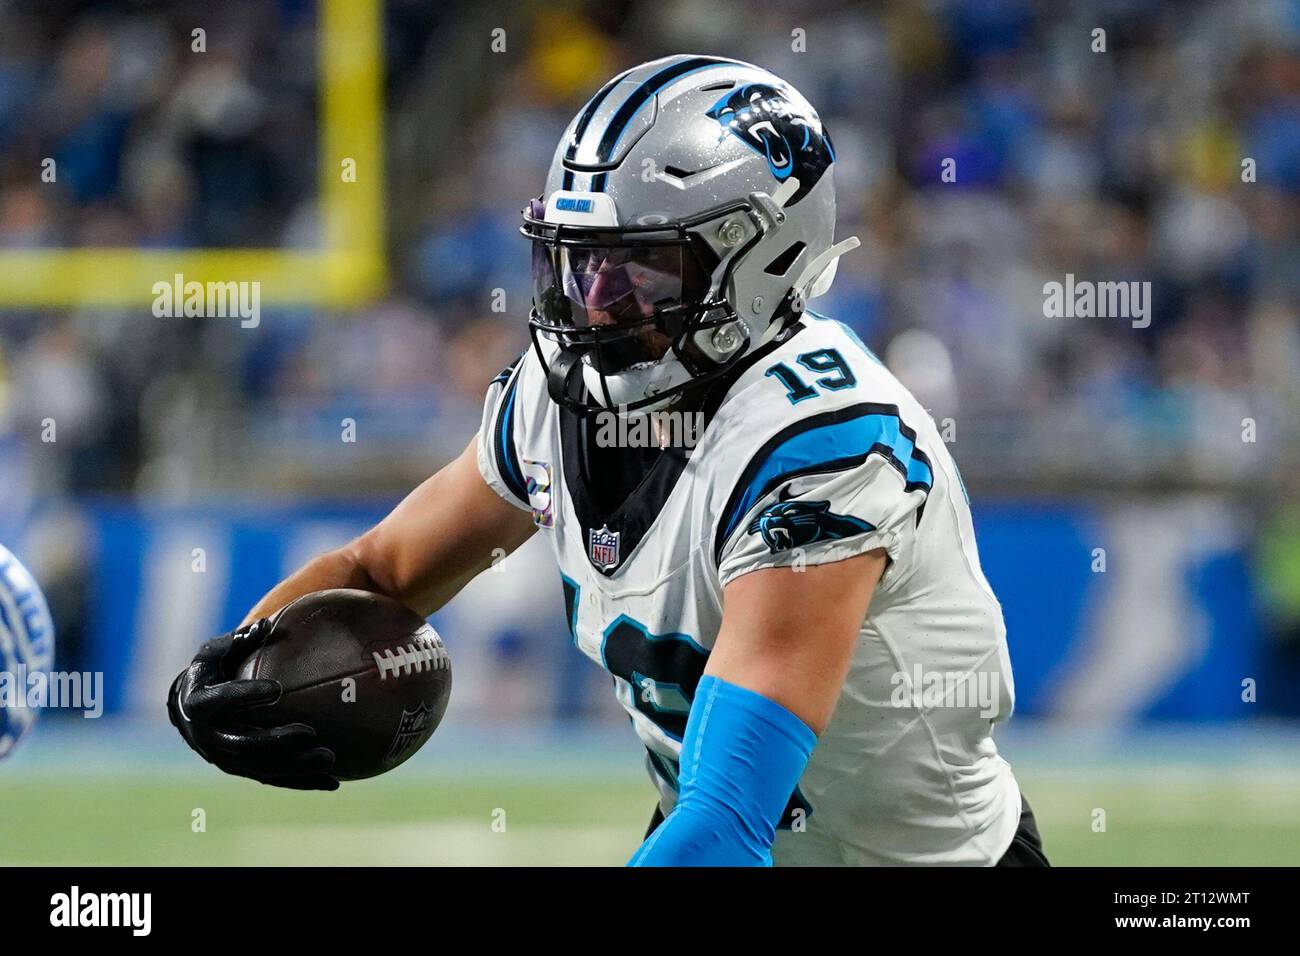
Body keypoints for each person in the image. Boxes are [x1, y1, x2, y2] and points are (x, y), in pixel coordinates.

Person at [168, 55, 1047, 866]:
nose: (594, 304)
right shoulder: (562, 400)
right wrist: (235, 673)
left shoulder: (821, 448)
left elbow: (729, 824)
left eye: (639, 270)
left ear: (760, 258)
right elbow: (378, 573)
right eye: (578, 264)